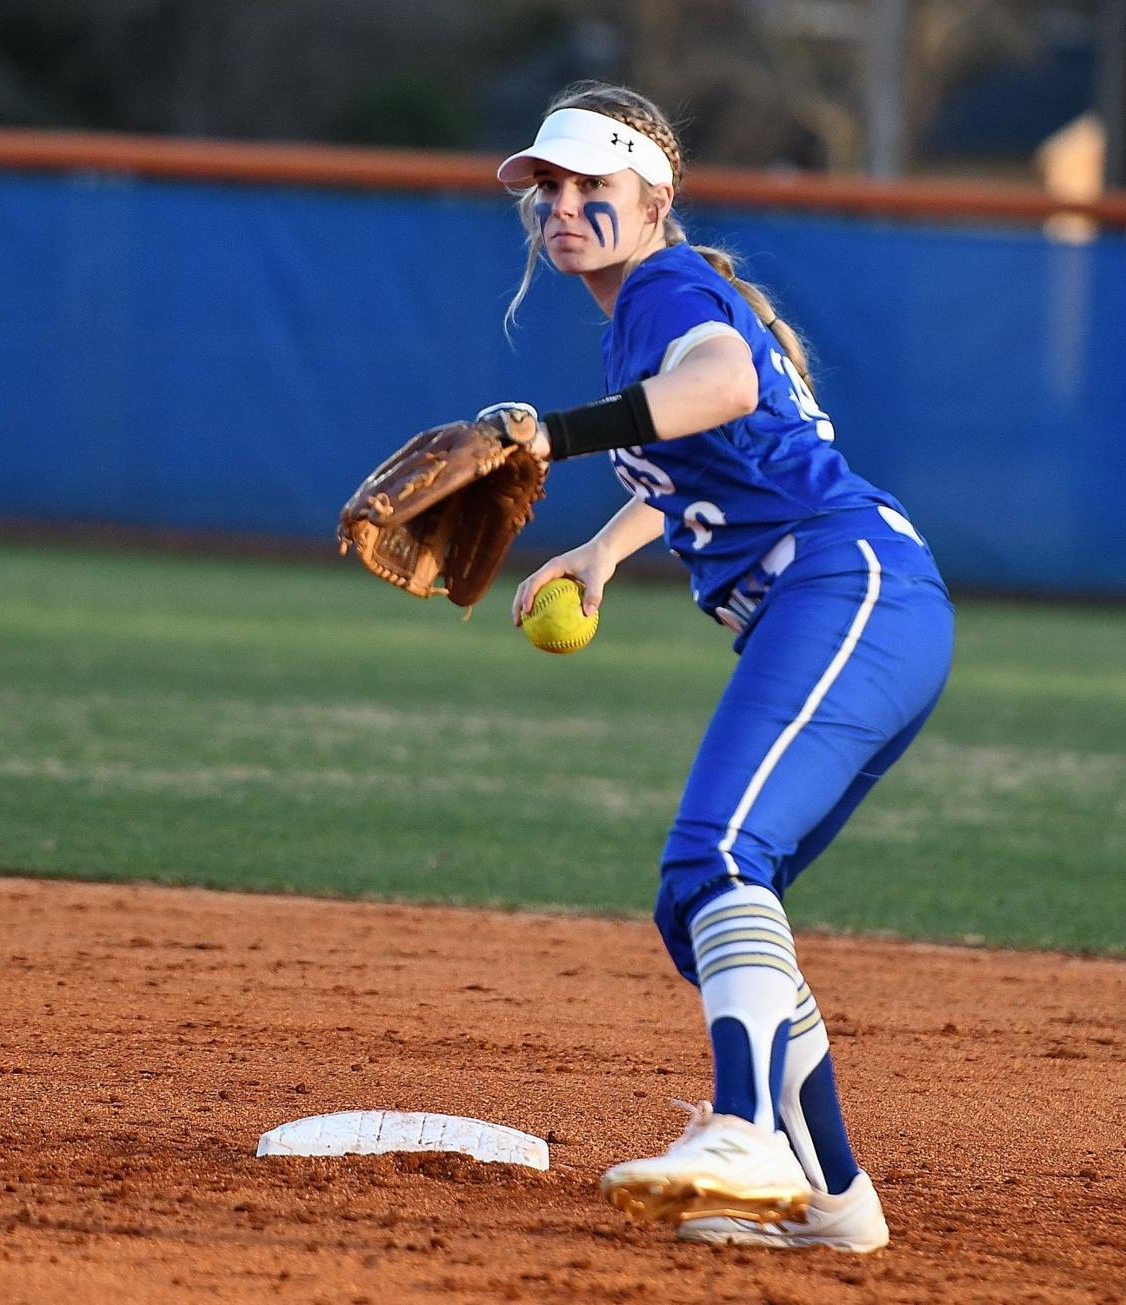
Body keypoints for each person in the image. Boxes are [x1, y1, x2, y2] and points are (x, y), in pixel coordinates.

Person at [483, 82, 954, 1254]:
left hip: (846, 592)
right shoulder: (657, 306)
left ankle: (746, 1129)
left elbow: (723, 387)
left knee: (718, 856)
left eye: (597, 185)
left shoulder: (666, 289)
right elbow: (704, 445)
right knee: (695, 903)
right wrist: (597, 551)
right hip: (857, 608)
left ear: (656, 198)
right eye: (553, 186)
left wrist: (557, 433)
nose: (569, 207)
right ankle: (833, 1201)